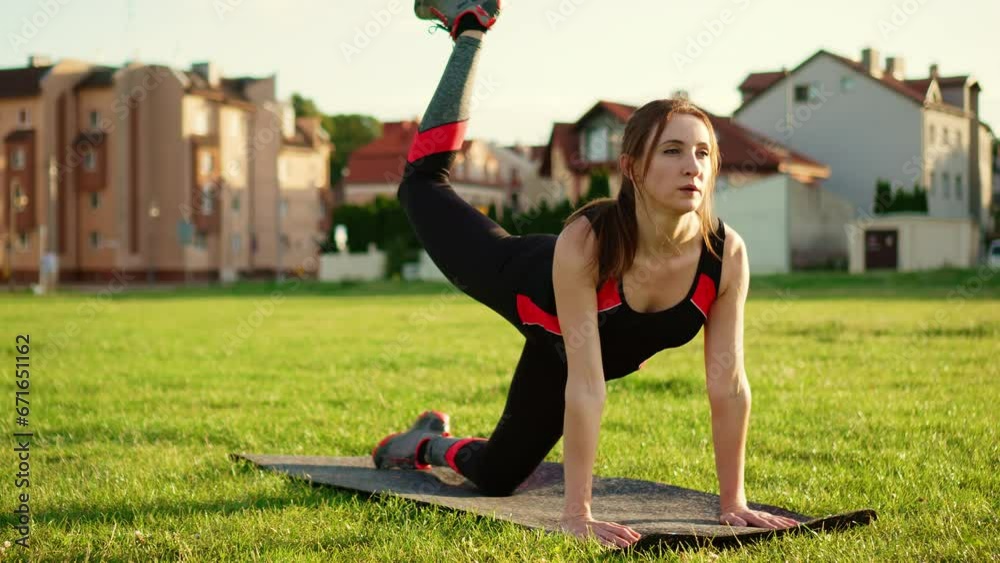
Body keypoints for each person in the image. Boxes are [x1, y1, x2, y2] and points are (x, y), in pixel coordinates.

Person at [372, 0, 800, 548]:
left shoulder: (724, 254)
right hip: (521, 278)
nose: (692, 165)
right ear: (632, 168)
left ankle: (425, 444)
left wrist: (733, 501)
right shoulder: (588, 241)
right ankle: (469, 27)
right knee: (421, 185)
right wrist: (579, 512)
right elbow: (589, 385)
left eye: (702, 153)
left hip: (564, 355)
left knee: (499, 477)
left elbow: (729, 383)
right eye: (671, 151)